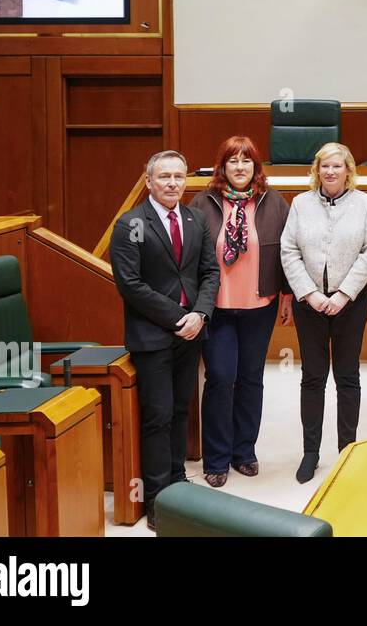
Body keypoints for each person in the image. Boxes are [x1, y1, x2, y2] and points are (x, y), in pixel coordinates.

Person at [109, 149, 219, 531]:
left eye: (178, 176)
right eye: (165, 177)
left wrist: (200, 315)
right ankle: (156, 499)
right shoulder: (130, 224)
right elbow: (131, 285)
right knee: (157, 417)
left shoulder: (196, 218)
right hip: (153, 336)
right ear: (148, 180)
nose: (173, 183)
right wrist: (179, 318)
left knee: (180, 412)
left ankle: (177, 485)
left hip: (191, 333)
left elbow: (209, 272)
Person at [188, 135, 291, 488]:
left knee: (250, 379)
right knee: (219, 378)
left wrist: (288, 296)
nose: (240, 167)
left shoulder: (274, 202)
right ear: (222, 166)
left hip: (259, 305)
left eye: (246, 161)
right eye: (233, 160)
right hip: (216, 308)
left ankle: (243, 451)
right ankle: (216, 458)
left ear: (256, 166)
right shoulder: (202, 202)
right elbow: (189, 257)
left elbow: (287, 253)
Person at [280, 142, 367, 483]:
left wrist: (343, 294)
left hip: (351, 303)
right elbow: (288, 249)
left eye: (337, 166)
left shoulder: (365, 204)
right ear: (316, 170)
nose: (330, 172)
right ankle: (311, 452)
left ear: (348, 170)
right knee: (312, 377)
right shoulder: (301, 203)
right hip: (309, 305)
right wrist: (308, 293)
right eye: (324, 166)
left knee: (347, 376)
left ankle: (346, 450)